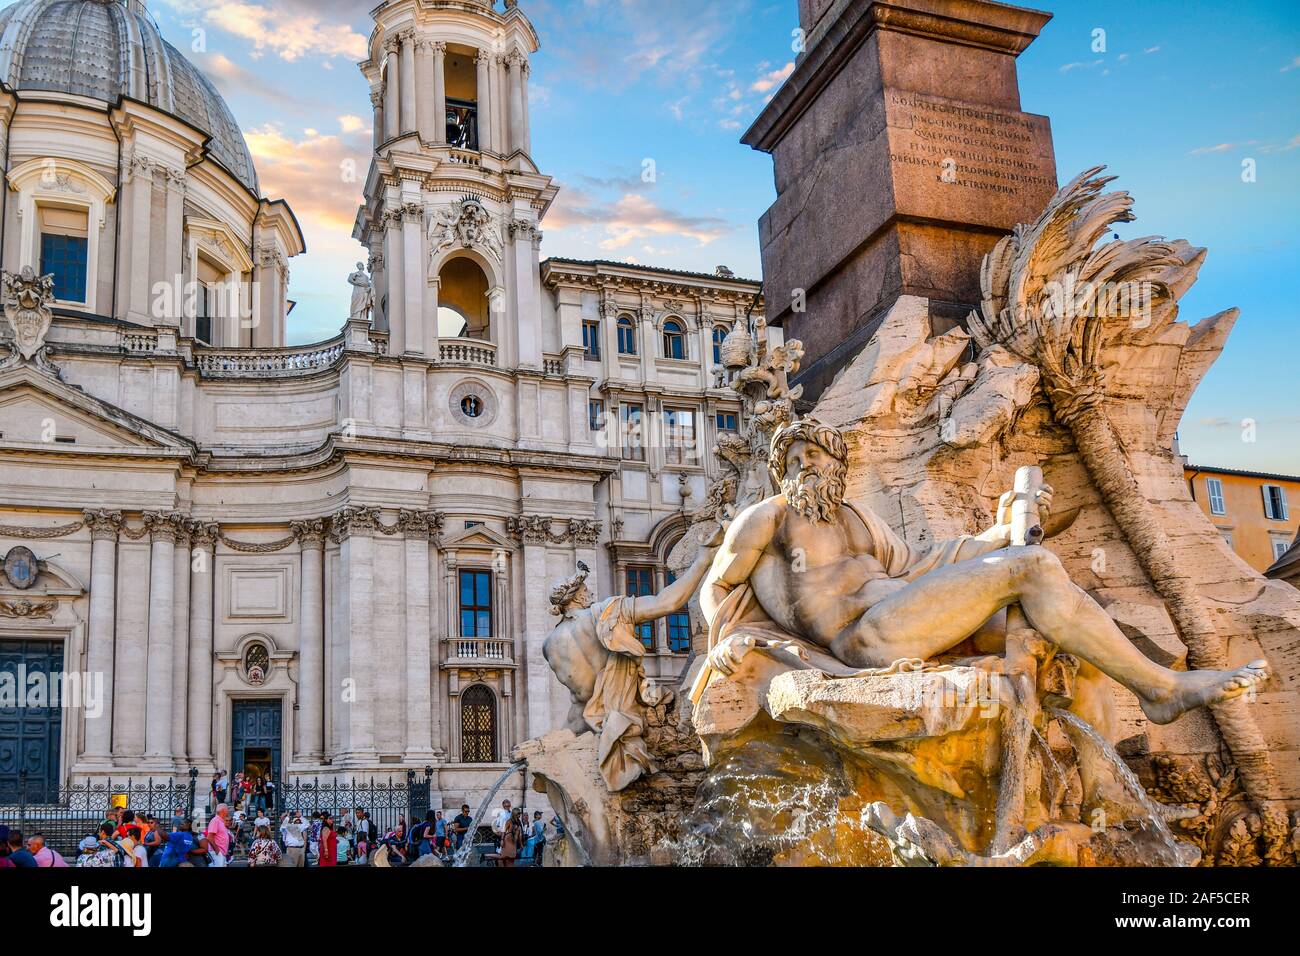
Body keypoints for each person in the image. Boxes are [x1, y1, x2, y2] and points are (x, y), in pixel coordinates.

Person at [693, 418, 1270, 809]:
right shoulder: (766, 518)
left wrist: (1000, 529)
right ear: (779, 470)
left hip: (900, 615)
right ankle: (1163, 689)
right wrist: (723, 637)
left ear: (837, 461)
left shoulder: (860, 518)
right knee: (1035, 568)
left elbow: (925, 565)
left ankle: (1103, 798)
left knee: (1063, 627)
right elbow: (716, 586)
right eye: (792, 458)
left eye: (814, 454)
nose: (804, 465)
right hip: (860, 641)